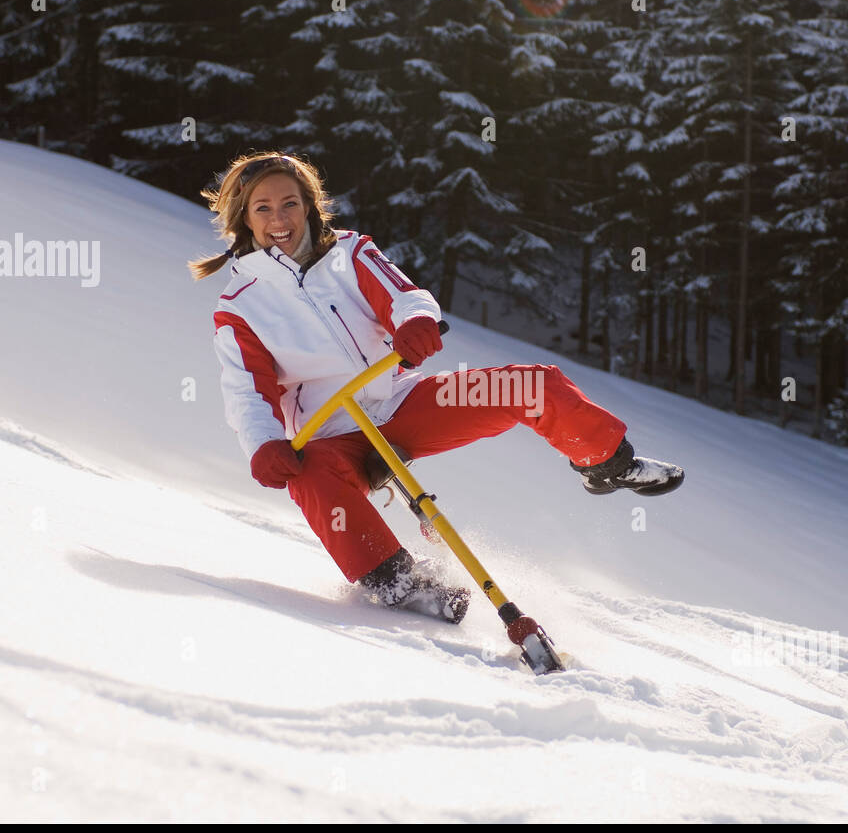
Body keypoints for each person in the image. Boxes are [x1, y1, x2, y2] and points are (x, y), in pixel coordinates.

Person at [189, 151, 684, 624]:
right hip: (329, 432)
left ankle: (608, 463)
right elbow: (248, 391)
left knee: (531, 385)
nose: (280, 218)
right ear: (244, 218)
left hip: (399, 400)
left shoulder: (351, 253)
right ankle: (402, 584)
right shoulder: (240, 306)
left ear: (309, 206)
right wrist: (264, 443)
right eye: (264, 207)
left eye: (290, 203)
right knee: (310, 478)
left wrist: (416, 323)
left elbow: (404, 296)